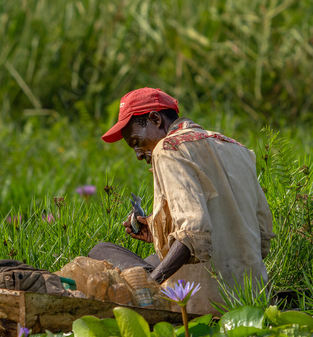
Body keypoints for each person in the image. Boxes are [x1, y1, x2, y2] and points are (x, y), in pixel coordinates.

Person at [99, 87, 275, 315]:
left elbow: (194, 232)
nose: (139, 154)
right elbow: (261, 235)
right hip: (255, 298)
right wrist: (156, 230)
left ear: (154, 119)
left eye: (136, 142)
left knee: (102, 250)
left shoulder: (168, 148)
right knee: (152, 258)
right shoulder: (237, 148)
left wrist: (151, 285)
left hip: (201, 305)